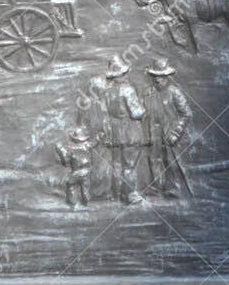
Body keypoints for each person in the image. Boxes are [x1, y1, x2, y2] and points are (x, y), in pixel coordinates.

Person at [88, 55, 145, 204]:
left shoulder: (107, 91)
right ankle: (130, 194)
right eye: (124, 73)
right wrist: (143, 107)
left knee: (117, 163)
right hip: (129, 132)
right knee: (130, 165)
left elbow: (105, 112)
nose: (126, 75)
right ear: (119, 75)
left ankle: (116, 192)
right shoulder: (128, 90)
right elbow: (136, 112)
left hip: (114, 133)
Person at [144, 59, 191, 197]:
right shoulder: (147, 92)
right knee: (154, 159)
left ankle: (174, 188)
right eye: (156, 76)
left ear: (167, 77)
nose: (158, 79)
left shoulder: (174, 92)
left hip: (170, 131)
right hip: (153, 132)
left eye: (162, 76)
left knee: (170, 160)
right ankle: (157, 186)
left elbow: (186, 114)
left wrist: (176, 132)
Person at [55, 126, 93, 208]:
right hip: (86, 172)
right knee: (85, 188)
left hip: (76, 172)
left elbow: (66, 162)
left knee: (70, 185)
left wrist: (60, 151)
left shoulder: (70, 149)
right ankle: (86, 202)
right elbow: (95, 143)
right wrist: (99, 138)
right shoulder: (87, 146)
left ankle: (72, 202)